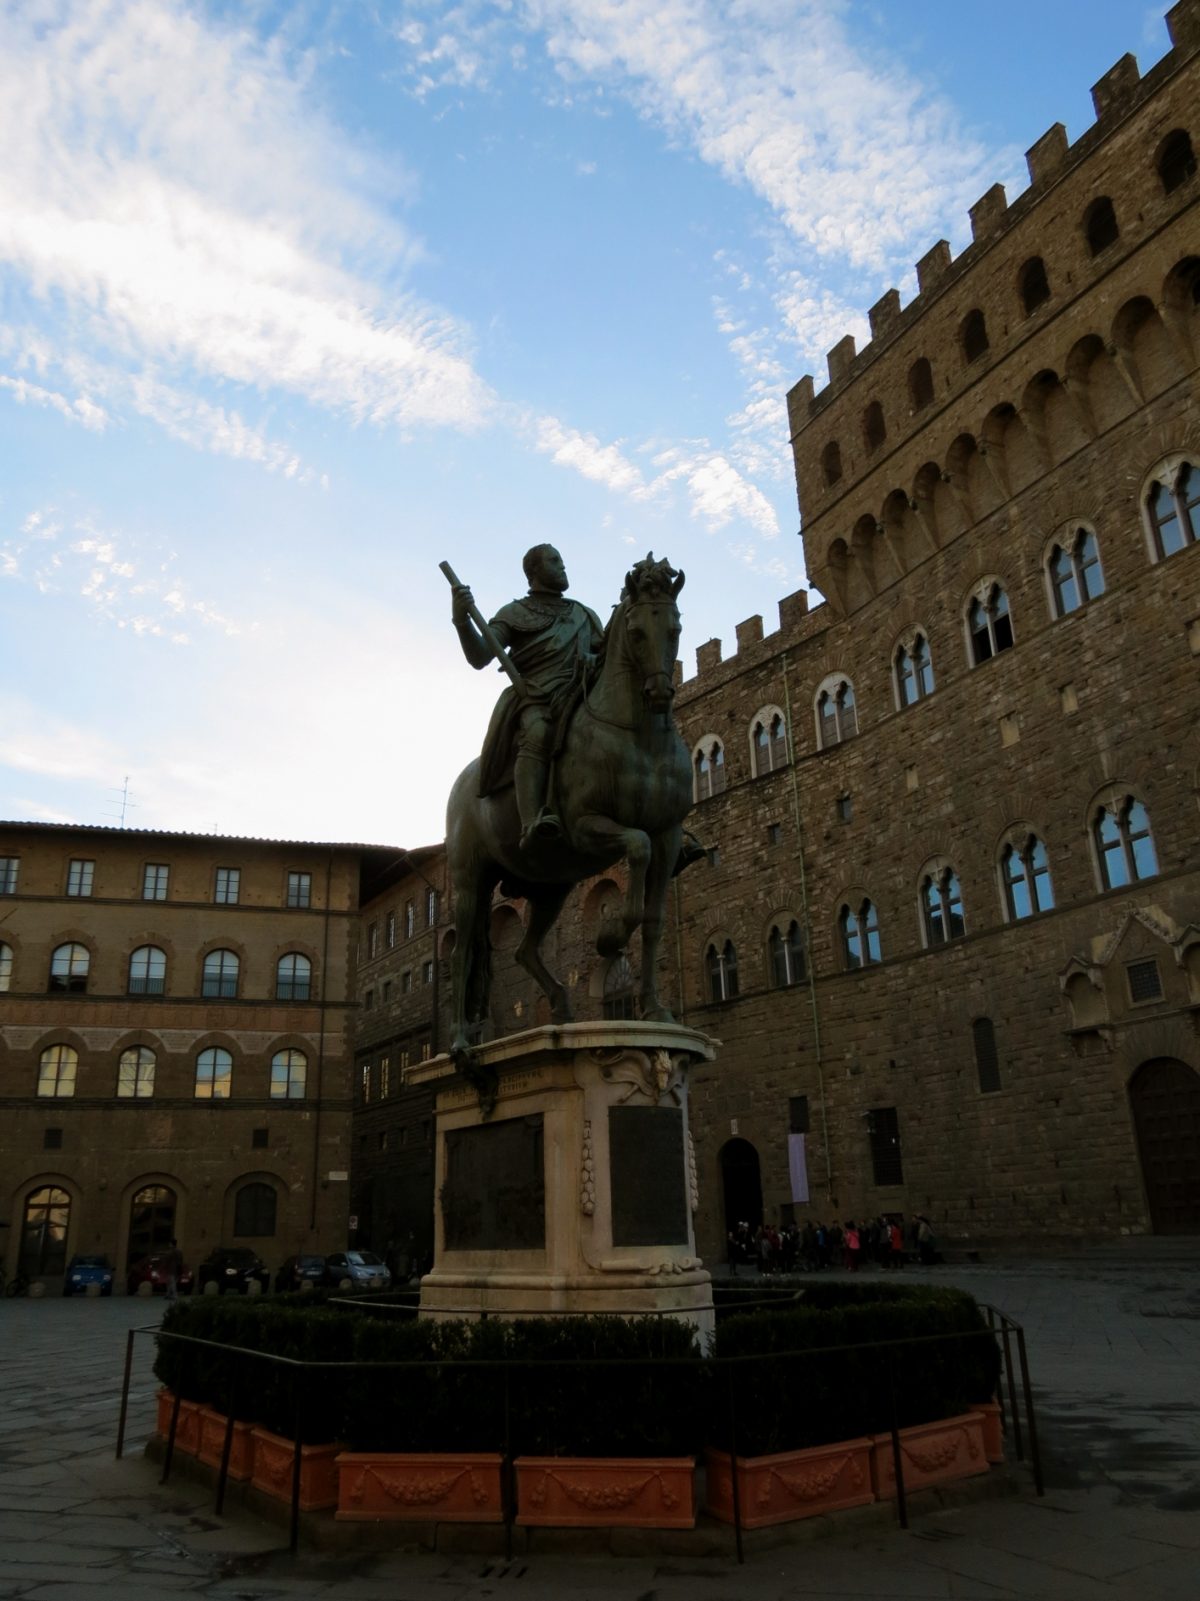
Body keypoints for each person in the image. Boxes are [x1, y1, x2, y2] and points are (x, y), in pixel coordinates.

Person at [451, 546, 605, 853]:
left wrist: (594, 658)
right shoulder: (515, 613)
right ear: (534, 571)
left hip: (582, 694)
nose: (564, 567)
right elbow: (480, 655)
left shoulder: (584, 614)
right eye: (555, 561)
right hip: (538, 697)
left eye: (562, 560)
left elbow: (608, 656)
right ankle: (532, 821)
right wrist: (462, 621)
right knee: (536, 732)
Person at [164, 1238, 183, 1303]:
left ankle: (174, 1295)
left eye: (169, 1243)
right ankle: (168, 1294)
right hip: (177, 1268)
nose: (169, 1245)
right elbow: (181, 1260)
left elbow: (167, 1260)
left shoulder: (170, 1252)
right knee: (171, 1282)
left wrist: (165, 1267)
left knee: (171, 1283)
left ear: (171, 1244)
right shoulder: (179, 1251)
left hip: (171, 1269)